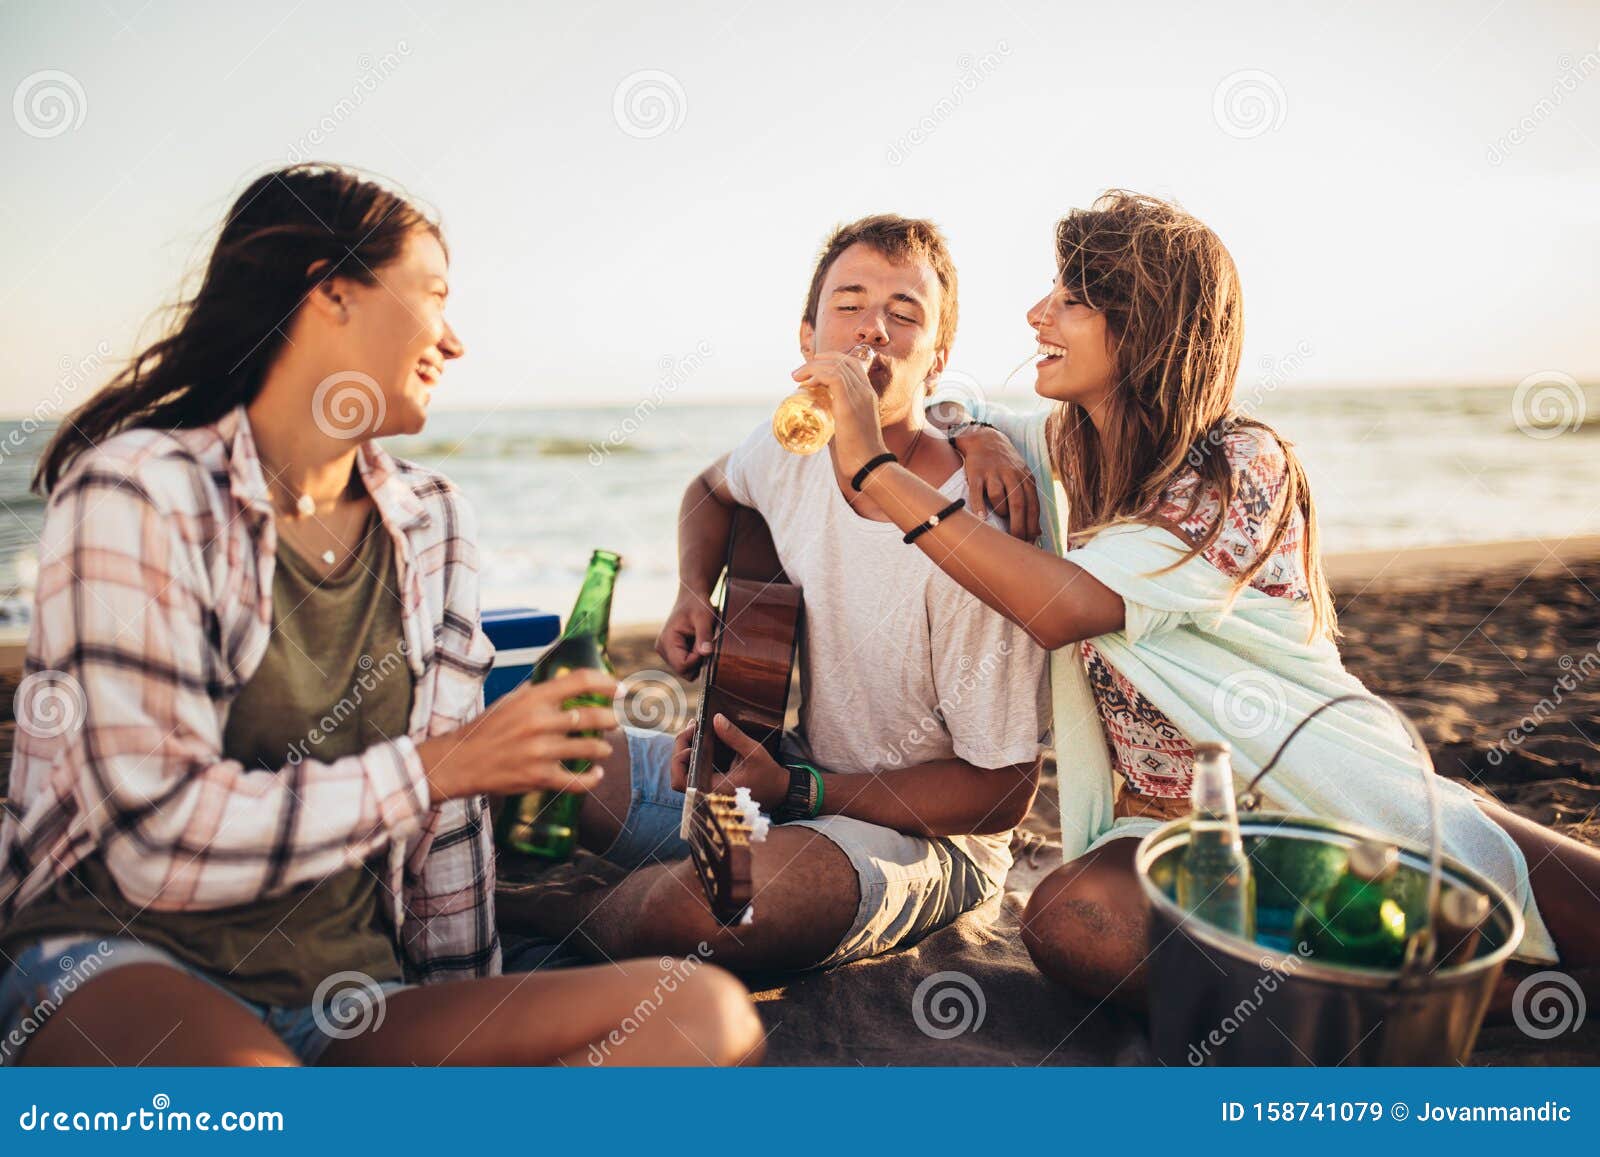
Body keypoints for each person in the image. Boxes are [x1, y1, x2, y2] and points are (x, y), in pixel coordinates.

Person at [0, 164, 763, 1067]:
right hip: (128, 960)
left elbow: (447, 843)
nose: (454, 339)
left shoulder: (433, 518)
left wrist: (460, 1012)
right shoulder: (140, 489)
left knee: (705, 1017)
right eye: (434, 294)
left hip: (350, 998)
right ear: (331, 292)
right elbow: (154, 841)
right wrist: (442, 765)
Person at [803, 189, 1600, 1014]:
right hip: (1166, 831)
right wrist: (976, 430)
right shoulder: (1065, 447)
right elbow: (947, 405)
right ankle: (1441, 1001)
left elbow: (1063, 607)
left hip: (1328, 801)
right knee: (1071, 918)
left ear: (1144, 326)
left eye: (1072, 299)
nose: (1038, 312)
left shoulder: (1240, 467)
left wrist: (871, 468)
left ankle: (1441, 997)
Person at [498, 214, 1049, 972]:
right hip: (784, 772)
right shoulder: (790, 447)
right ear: (808, 338)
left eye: (904, 313)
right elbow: (709, 489)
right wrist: (695, 591)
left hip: (927, 837)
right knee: (542, 764)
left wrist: (802, 788)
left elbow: (1003, 795)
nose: (873, 332)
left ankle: (547, 911)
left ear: (939, 356)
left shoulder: (972, 521)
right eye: (849, 304)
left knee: (716, 908)